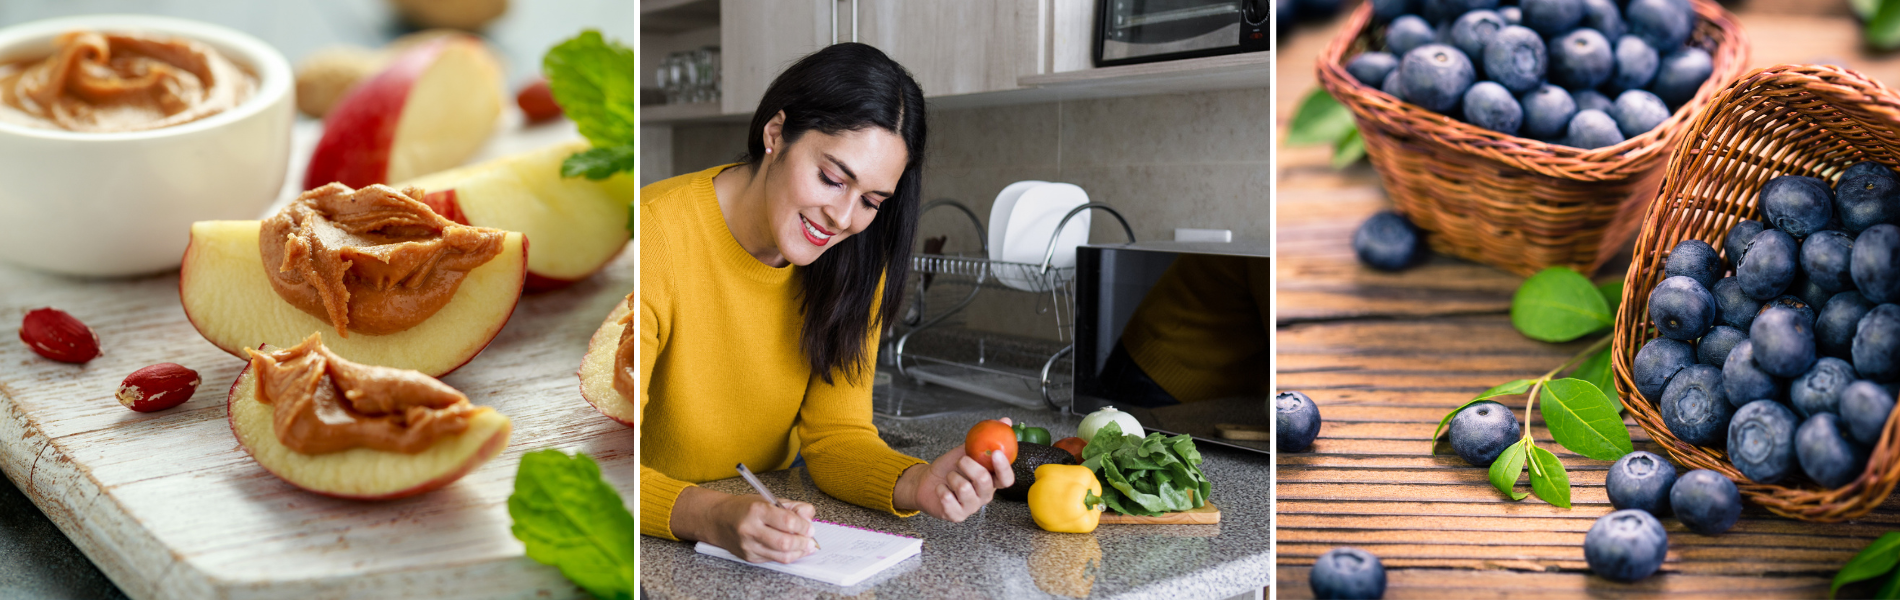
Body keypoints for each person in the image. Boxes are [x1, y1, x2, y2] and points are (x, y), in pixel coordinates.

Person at [636, 43, 1013, 564]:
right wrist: (711, 515)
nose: (842, 218)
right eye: (833, 179)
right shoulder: (651, 239)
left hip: (761, 529)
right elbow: (598, 460)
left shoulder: (856, 260)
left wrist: (918, 481)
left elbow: (837, 436)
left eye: (871, 201)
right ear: (775, 134)